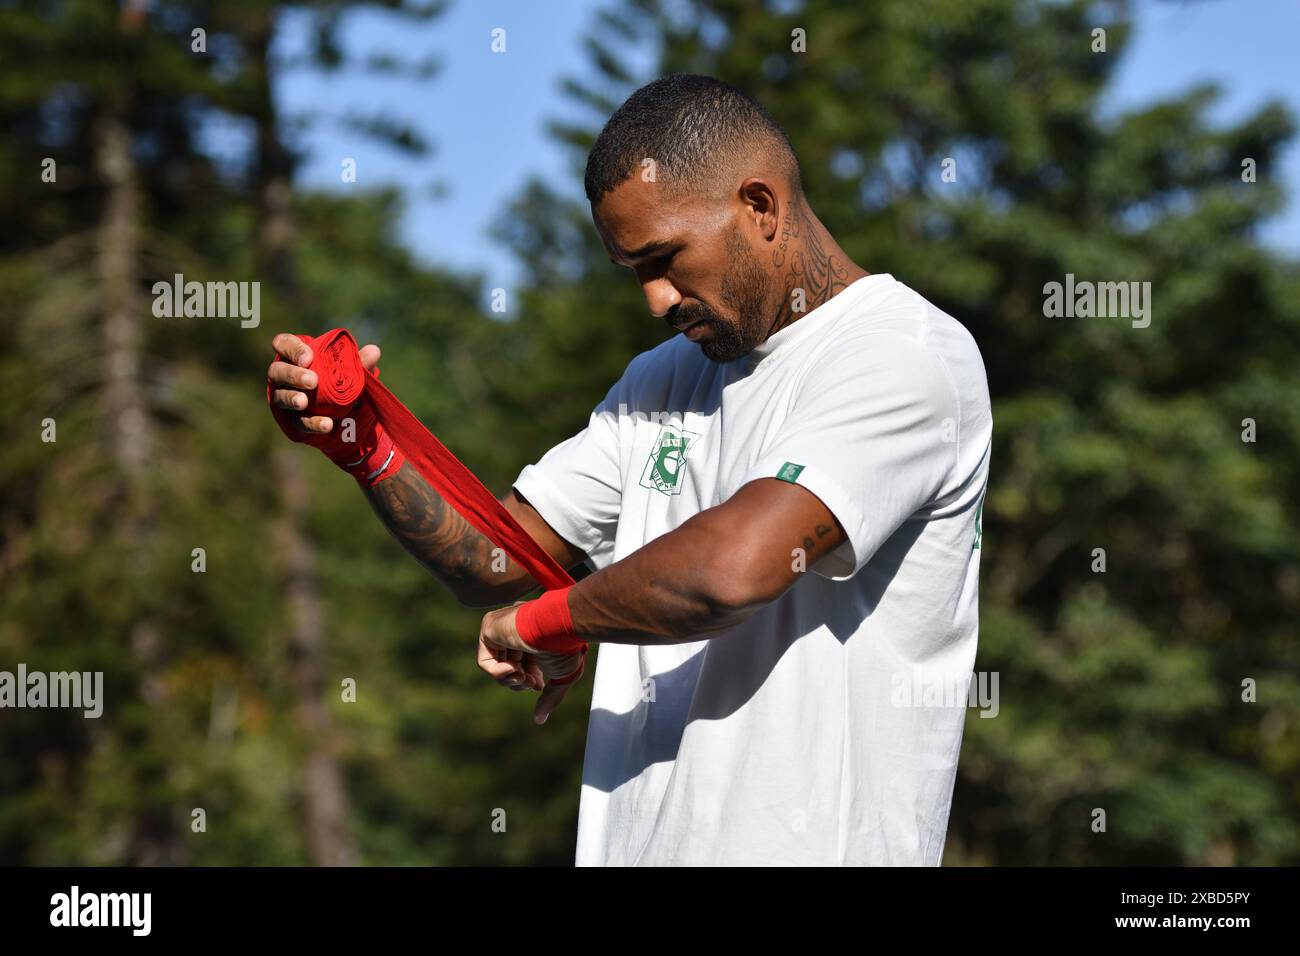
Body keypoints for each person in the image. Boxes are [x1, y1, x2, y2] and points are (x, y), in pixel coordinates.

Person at [266, 74, 992, 866]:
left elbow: (735, 568)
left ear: (761, 206)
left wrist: (549, 623)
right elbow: (501, 563)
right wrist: (367, 444)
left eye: (664, 258)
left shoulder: (907, 356)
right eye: (632, 270)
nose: (654, 299)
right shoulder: (660, 381)